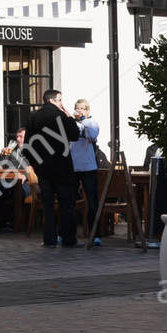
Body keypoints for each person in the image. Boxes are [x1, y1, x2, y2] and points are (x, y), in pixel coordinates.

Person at [24, 89, 82, 248]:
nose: (62, 104)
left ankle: (49, 239)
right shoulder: (61, 116)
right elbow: (75, 134)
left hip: (43, 169)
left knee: (48, 205)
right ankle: (68, 239)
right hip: (62, 168)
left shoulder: (33, 117)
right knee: (66, 205)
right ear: (52, 101)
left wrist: (36, 166)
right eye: (60, 100)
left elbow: (27, 146)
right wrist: (69, 116)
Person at [69, 99, 102, 246]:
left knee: (92, 202)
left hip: (88, 167)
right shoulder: (72, 123)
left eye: (82, 108)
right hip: (73, 166)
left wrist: (82, 121)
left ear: (88, 111)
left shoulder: (91, 123)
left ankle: (95, 235)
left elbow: (92, 136)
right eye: (77, 108)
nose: (79, 111)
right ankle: (66, 233)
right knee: (69, 201)